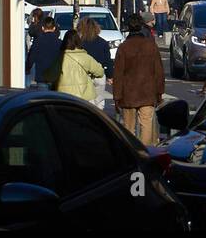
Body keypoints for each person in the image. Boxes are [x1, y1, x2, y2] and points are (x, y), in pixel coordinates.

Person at [114, 13, 165, 146]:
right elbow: (158, 71)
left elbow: (118, 74)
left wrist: (117, 97)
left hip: (128, 93)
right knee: (146, 125)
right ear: (141, 26)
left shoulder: (124, 47)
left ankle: (131, 153)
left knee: (128, 128)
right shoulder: (151, 46)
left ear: (128, 28)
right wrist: (159, 93)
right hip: (147, 92)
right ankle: (146, 152)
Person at [53, 29, 105, 102]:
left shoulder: (58, 58)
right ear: (78, 41)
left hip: (63, 96)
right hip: (84, 97)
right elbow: (100, 72)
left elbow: (49, 76)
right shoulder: (85, 57)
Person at [78, 16, 114, 110]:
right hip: (99, 75)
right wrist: (110, 75)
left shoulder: (79, 43)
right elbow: (107, 61)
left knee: (86, 103)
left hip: (84, 75)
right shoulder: (103, 43)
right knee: (99, 102)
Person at [24, 16, 61, 89]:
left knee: (44, 98)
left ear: (43, 28)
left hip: (41, 77)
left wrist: (27, 68)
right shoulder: (60, 43)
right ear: (54, 28)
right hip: (56, 76)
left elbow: (31, 57)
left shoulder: (38, 42)